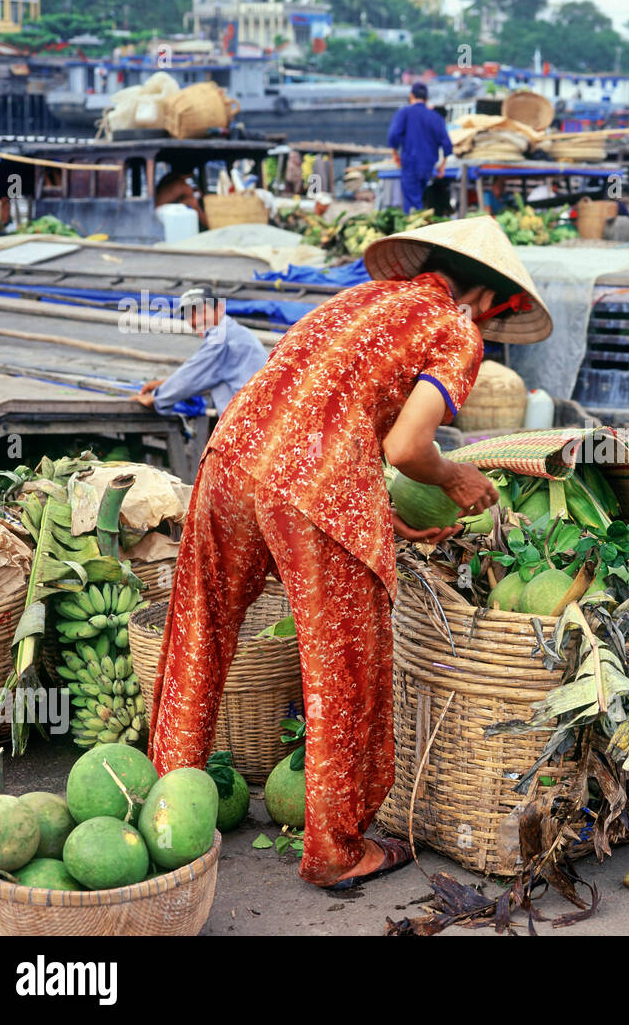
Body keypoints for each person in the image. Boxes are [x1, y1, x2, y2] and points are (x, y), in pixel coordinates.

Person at [146, 219, 553, 890]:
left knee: (200, 631)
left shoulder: (355, 301)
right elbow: (404, 447)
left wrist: (379, 514)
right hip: (315, 485)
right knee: (342, 662)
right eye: (500, 314)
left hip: (229, 461)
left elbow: (321, 410)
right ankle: (335, 850)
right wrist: (456, 480)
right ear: (486, 299)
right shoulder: (456, 327)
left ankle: (167, 809)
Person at [134, 287, 269, 416]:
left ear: (220, 309)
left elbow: (191, 376)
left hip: (253, 423)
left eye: (201, 311)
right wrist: (162, 384)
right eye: (188, 315)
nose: (196, 320)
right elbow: (204, 373)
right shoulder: (235, 332)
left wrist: (157, 397)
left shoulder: (221, 338)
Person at [386, 82, 453, 214]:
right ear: (427, 99)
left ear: (411, 96)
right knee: (420, 199)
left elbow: (393, 135)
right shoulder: (436, 117)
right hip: (428, 166)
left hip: (410, 165)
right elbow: (447, 144)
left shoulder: (404, 113)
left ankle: (415, 229)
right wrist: (443, 165)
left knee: (413, 205)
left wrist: (395, 154)